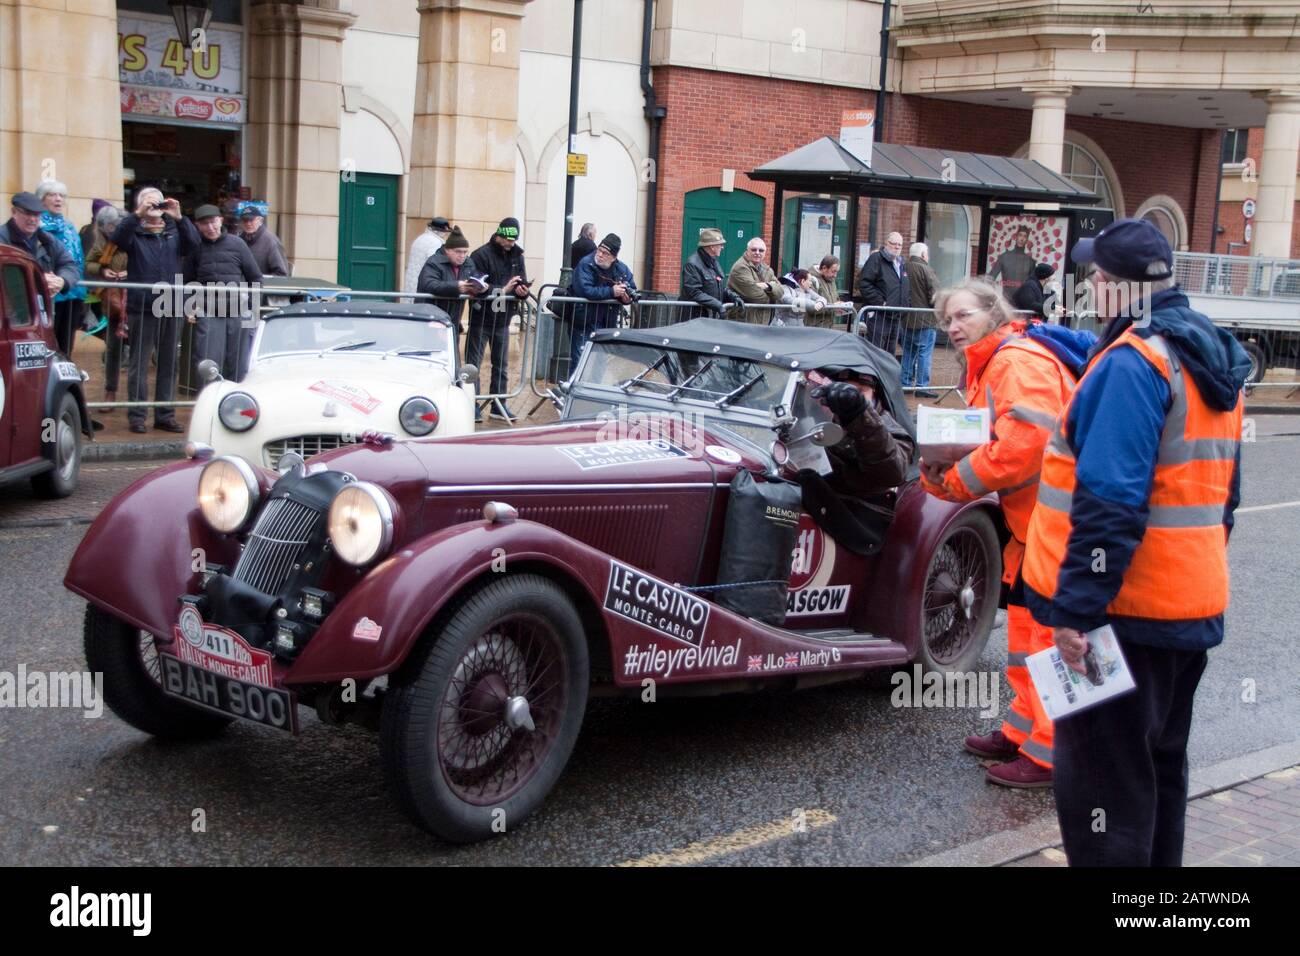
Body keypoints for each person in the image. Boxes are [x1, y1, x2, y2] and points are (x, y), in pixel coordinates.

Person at [1022, 219, 1248, 866]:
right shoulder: (1208, 353)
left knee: (1103, 796)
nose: (1091, 286)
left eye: (1096, 277)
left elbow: (1108, 500)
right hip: (1186, 607)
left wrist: (1078, 612)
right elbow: (1225, 497)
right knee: (1157, 776)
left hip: (1119, 616)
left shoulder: (1133, 362)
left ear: (1116, 287)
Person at [920, 277, 1092, 788]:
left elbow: (1025, 444)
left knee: (1050, 638)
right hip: (1034, 524)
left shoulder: (1014, 361)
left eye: (963, 315)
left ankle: (1053, 754)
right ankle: (1024, 730)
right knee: (1025, 632)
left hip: (1057, 524)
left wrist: (952, 480)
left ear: (993, 313)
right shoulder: (997, 361)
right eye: (947, 319)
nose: (953, 327)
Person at [110, 187, 201, 434]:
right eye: (148, 203)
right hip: (142, 304)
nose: (154, 208)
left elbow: (194, 244)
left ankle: (165, 414)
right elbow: (117, 239)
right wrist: (138, 214)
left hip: (171, 304)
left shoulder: (174, 230)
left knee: (169, 362)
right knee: (139, 363)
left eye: (157, 203)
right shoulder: (134, 231)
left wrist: (180, 217)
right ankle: (137, 416)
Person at [188, 204, 263, 382]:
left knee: (239, 365)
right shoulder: (196, 248)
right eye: (204, 224)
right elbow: (186, 280)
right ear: (198, 226)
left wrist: (252, 309)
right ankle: (209, 404)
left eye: (213, 222)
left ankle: (236, 405)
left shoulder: (237, 244)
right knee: (208, 365)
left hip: (239, 312)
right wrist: (190, 306)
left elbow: (255, 277)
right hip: (209, 312)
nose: (210, 227)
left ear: (220, 220)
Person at [810, 370, 915, 497]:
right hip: (816, 492)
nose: (850, 397)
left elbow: (893, 474)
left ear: (874, 392)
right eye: (843, 392)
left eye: (860, 391)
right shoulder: (818, 413)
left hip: (860, 503)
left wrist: (860, 417)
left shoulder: (890, 428)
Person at [467, 217, 530, 421]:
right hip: (481, 316)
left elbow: (522, 282)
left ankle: (499, 404)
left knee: (501, 365)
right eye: (508, 240)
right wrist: (503, 289)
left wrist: (522, 291)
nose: (512, 244)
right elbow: (477, 286)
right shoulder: (481, 255)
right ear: (499, 235)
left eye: (514, 240)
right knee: (473, 365)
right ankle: (471, 404)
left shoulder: (517, 255)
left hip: (503, 318)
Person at [35, 180, 88, 358]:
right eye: (52, 195)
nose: (58, 199)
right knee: (49, 341)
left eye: (62, 195)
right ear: (41, 199)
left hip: (72, 291)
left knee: (66, 343)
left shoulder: (69, 227)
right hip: (49, 293)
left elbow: (77, 259)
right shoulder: (37, 226)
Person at [84, 205, 129, 407]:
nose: (112, 229)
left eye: (114, 225)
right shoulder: (102, 240)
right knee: (113, 349)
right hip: (113, 301)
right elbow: (89, 263)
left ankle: (137, 395)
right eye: (108, 226)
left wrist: (130, 273)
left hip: (134, 300)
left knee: (139, 350)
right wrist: (103, 270)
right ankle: (110, 391)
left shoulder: (132, 236)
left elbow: (144, 262)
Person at [0, 192, 78, 307]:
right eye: (27, 213)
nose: (32, 219)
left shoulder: (48, 240)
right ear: (14, 212)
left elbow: (70, 265)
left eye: (36, 215)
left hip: (41, 313)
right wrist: (39, 280)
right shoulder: (2, 238)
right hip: (7, 313)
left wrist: (62, 281)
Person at [571, 233, 636, 369]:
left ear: (613, 257)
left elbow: (632, 288)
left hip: (607, 323)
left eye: (605, 253)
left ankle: (594, 390)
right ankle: (574, 390)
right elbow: (586, 290)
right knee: (580, 363)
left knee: (599, 364)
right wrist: (612, 292)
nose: (600, 254)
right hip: (584, 321)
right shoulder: (586, 263)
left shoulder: (621, 269)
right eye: (599, 250)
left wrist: (626, 299)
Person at [416, 225, 474, 349]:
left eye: (465, 252)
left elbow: (476, 278)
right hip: (432, 320)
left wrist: (482, 288)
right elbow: (429, 284)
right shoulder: (434, 262)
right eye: (458, 252)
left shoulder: (468, 264)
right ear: (447, 250)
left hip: (453, 321)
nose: (462, 256)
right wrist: (456, 287)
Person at [856, 231, 908, 355]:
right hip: (879, 315)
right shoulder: (876, 259)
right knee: (876, 352)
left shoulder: (901, 263)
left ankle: (885, 375)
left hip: (896, 316)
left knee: (889, 354)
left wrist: (907, 304)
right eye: (894, 244)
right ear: (886, 243)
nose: (897, 247)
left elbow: (905, 287)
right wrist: (881, 303)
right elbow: (864, 283)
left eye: (899, 245)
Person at [903, 241, 940, 398]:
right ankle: (922, 386)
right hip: (925, 320)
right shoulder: (926, 269)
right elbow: (936, 295)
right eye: (927, 254)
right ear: (923, 255)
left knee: (908, 352)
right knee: (924, 353)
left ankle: (904, 383)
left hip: (906, 319)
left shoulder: (902, 267)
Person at [681, 228, 743, 319]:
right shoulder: (692, 264)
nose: (722, 247)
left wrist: (734, 297)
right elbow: (693, 292)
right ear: (712, 246)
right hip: (695, 318)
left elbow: (720, 287)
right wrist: (717, 305)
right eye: (720, 245)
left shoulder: (713, 262)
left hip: (709, 317)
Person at [727, 237, 783, 320]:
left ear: (765, 253)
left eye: (761, 250)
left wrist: (767, 286)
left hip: (762, 321)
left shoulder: (767, 269)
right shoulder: (740, 267)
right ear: (747, 251)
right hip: (742, 322)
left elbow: (780, 292)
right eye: (754, 250)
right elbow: (755, 296)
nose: (757, 253)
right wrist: (772, 295)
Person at [238, 201, 289, 277]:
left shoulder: (270, 241)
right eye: (245, 220)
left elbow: (281, 273)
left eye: (251, 220)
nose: (248, 223)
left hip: (262, 285)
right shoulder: (240, 240)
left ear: (260, 221)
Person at [403, 216, 450, 295]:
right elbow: (437, 265)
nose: (446, 234)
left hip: (412, 282)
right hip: (423, 285)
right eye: (445, 232)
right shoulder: (436, 243)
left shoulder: (420, 238)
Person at [989, 224, 1037, 292]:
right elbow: (990, 278)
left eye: (1025, 236)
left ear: (1027, 240)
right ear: (1016, 237)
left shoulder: (1030, 261)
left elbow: (1034, 284)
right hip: (1006, 300)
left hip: (1023, 300)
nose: (1022, 239)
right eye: (1020, 235)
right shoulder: (1004, 257)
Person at [806, 255, 849, 329]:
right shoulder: (811, 280)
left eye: (837, 272)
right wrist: (832, 307)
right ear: (824, 268)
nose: (835, 275)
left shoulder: (831, 279)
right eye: (833, 271)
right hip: (815, 328)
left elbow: (835, 298)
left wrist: (839, 305)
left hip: (828, 326)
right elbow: (811, 306)